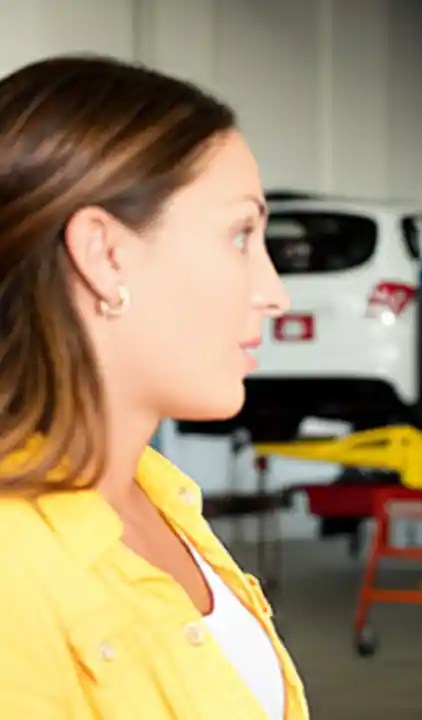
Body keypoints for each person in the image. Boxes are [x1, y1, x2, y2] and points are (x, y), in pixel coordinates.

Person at [0, 55, 308, 719]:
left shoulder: (161, 496)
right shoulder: (11, 568)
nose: (274, 293)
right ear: (107, 256)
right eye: (239, 234)